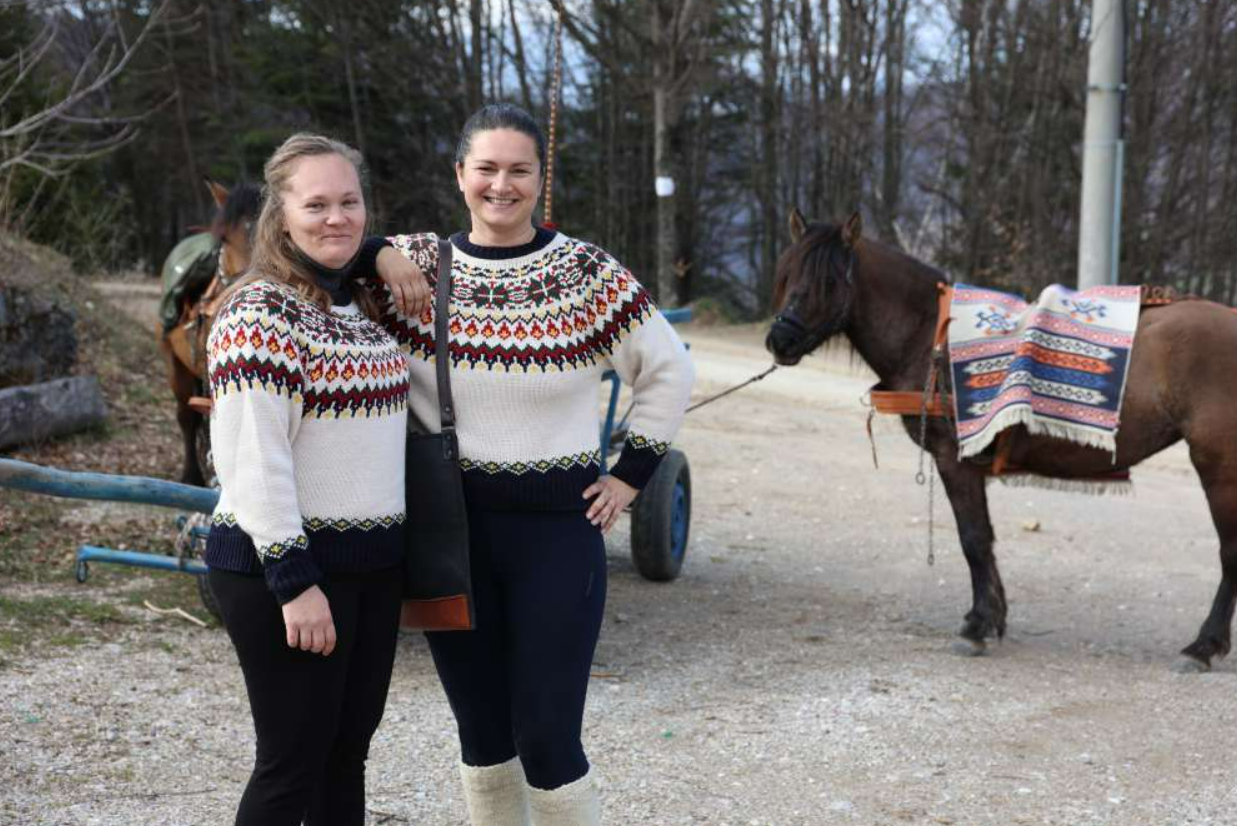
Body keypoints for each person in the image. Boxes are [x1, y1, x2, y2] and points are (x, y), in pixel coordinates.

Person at [362, 103, 694, 826]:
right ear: (459, 175)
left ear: (541, 179)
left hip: (556, 537)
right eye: (485, 168)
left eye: (519, 170)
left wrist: (630, 473)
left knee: (546, 736)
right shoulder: (415, 269)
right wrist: (378, 250)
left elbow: (667, 368)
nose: (500, 185)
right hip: (450, 536)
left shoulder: (582, 272)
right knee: (481, 736)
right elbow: (319, 250)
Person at [204, 133, 411, 826]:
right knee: (292, 763)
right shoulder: (259, 313)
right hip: (284, 570)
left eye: (349, 202)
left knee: (345, 754)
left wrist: (379, 249)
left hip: (372, 568)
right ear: (279, 216)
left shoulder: (359, 301)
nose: (336, 218)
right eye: (316, 204)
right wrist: (294, 582)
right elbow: (252, 456)